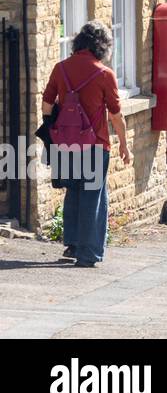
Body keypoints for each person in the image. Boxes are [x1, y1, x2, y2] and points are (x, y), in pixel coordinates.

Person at [39, 21, 130, 268]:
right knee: (94, 196)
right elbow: (115, 115)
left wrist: (54, 131)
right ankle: (88, 254)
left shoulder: (61, 69)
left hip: (65, 145)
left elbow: (47, 104)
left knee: (74, 191)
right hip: (95, 144)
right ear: (102, 47)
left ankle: (73, 245)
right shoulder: (104, 74)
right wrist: (124, 144)